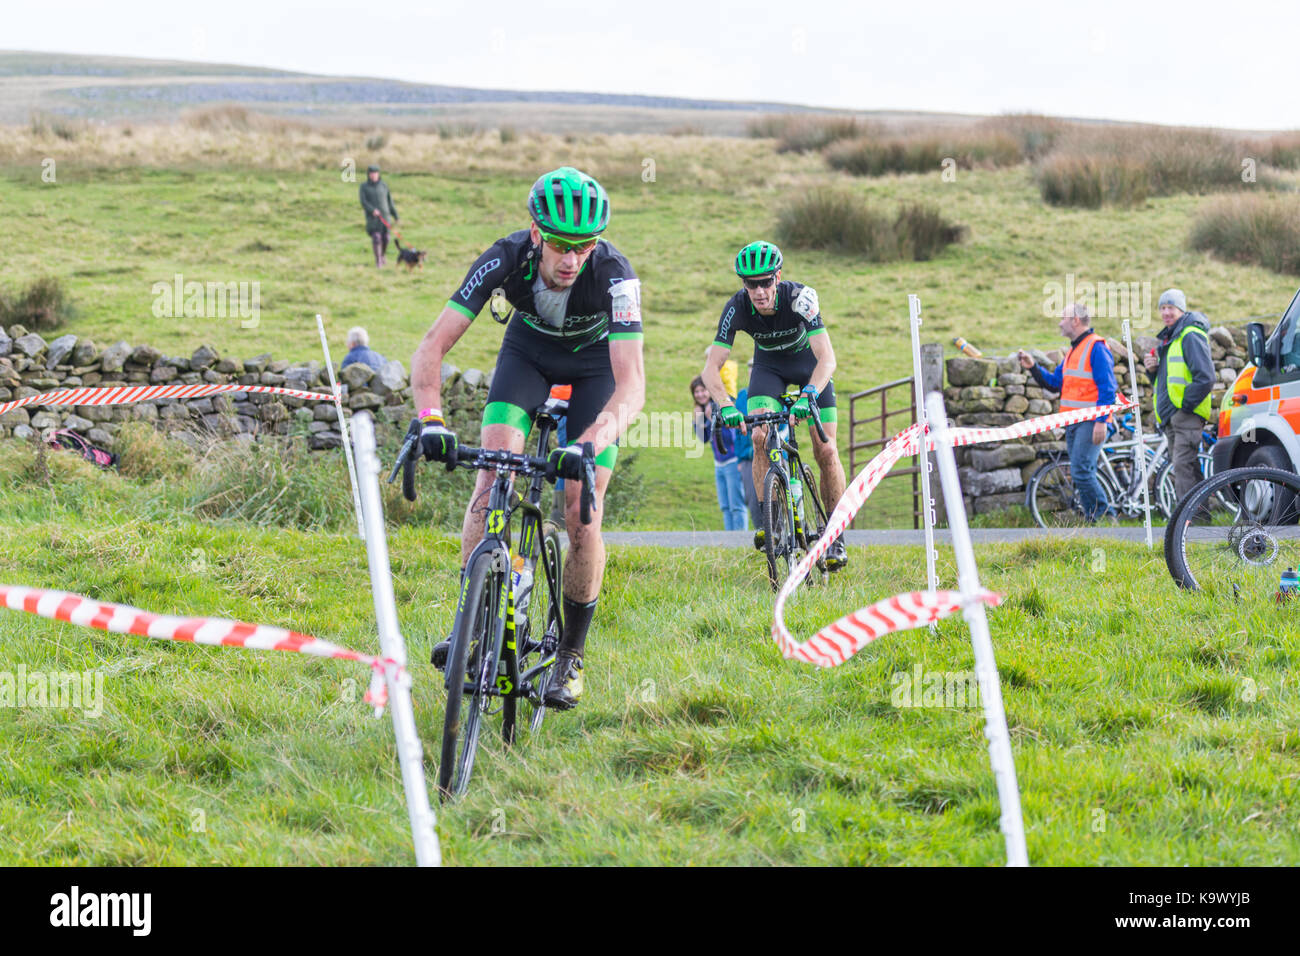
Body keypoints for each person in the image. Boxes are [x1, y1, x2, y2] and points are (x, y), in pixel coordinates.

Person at [411, 166, 644, 711]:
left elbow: (632, 386)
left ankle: (570, 655)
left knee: (582, 510)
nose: (571, 259)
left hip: (595, 371)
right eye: (561, 245)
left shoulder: (615, 275)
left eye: (583, 246)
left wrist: (589, 442)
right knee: (492, 475)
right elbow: (431, 345)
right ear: (537, 234)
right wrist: (431, 419)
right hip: (527, 355)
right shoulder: (504, 257)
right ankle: (472, 624)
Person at [701, 240, 848, 570]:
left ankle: (835, 534)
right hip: (769, 371)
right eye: (751, 284)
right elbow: (710, 369)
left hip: (810, 369)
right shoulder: (736, 307)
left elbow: (827, 358)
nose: (759, 291)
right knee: (759, 438)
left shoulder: (801, 298)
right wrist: (725, 404)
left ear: (777, 277)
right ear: (744, 285)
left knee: (825, 448)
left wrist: (810, 392)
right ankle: (774, 521)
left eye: (765, 281)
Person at [1018, 302, 1116, 520]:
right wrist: (1032, 366)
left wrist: (1101, 421)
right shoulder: (1074, 350)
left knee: (1081, 471)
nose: (1060, 323)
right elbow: (1054, 383)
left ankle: (1105, 517)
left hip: (1090, 423)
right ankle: (1096, 520)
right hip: (1075, 423)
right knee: (1081, 471)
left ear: (1076, 321)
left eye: (1063, 318)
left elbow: (1108, 389)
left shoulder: (1096, 347)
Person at [1143, 288, 1215, 502]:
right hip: (1172, 415)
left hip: (1185, 414)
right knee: (1187, 466)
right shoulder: (1170, 339)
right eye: (1162, 308)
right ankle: (1199, 518)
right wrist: (1152, 371)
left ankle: (1185, 520)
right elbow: (1166, 382)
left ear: (1181, 309)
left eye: (1170, 307)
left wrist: (1184, 406)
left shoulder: (1190, 335)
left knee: (1182, 465)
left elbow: (1206, 377)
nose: (1166, 312)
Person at [692, 375, 748, 530]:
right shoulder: (701, 411)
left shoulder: (721, 407)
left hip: (732, 460)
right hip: (719, 463)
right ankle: (730, 543)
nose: (700, 394)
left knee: (736, 505)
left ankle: (739, 541)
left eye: (703, 390)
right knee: (725, 506)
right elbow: (703, 438)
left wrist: (711, 418)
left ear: (709, 391)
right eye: (696, 392)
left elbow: (730, 437)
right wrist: (698, 420)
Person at [359, 164, 399, 268]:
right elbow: (363, 202)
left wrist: (395, 215)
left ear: (378, 174)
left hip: (385, 217)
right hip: (372, 218)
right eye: (371, 173)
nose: (373, 175)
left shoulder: (384, 185)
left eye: (375, 173)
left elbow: (390, 202)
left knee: (386, 238)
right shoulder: (364, 187)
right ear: (368, 174)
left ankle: (382, 255)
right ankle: (378, 262)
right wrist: (372, 210)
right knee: (376, 238)